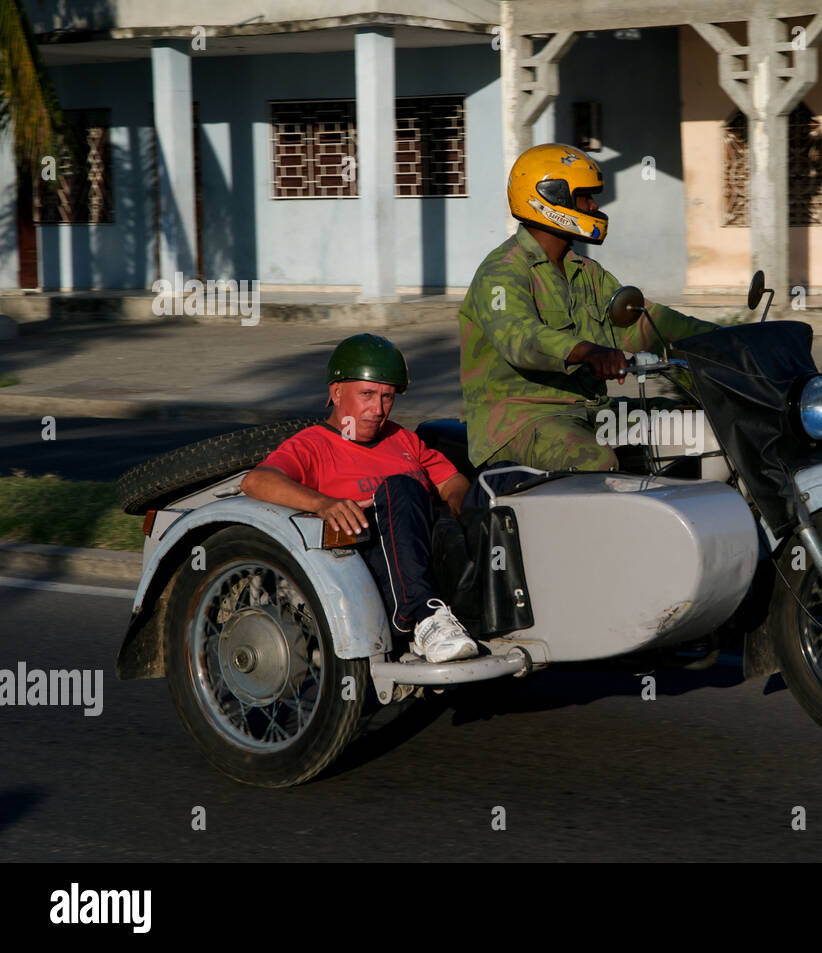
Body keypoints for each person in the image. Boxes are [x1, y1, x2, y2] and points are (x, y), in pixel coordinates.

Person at [459, 142, 718, 471]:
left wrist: (726, 339)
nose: (594, 205)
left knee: (698, 427)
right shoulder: (502, 271)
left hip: (592, 411)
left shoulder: (586, 273)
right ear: (551, 198)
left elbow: (644, 323)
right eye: (584, 197)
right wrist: (588, 352)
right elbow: (521, 338)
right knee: (592, 459)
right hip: (520, 421)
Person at [239, 333, 478, 664]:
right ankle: (425, 619)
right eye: (367, 395)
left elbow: (452, 481)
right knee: (402, 488)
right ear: (336, 393)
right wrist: (324, 503)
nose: (378, 410)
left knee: (505, 481)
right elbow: (257, 481)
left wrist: (459, 506)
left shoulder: (403, 439)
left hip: (434, 547)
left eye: (388, 398)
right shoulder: (313, 444)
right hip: (373, 561)